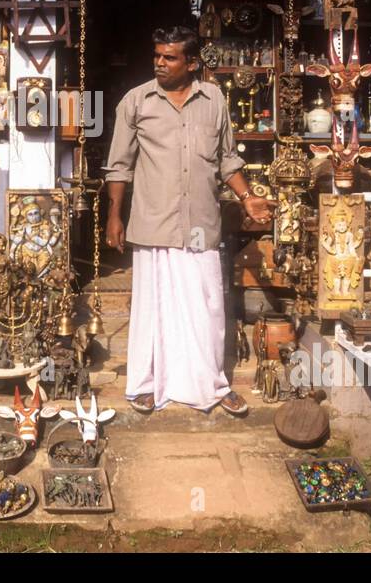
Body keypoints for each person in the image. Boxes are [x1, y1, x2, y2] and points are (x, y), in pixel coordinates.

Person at [104, 26, 272, 416]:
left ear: (192, 63)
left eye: (170, 57)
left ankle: (213, 383)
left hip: (199, 222)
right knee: (154, 306)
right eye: (157, 56)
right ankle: (147, 384)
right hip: (154, 220)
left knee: (208, 306)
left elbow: (227, 159)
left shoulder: (213, 99)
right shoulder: (136, 101)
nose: (160, 63)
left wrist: (247, 198)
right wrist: (115, 215)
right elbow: (119, 165)